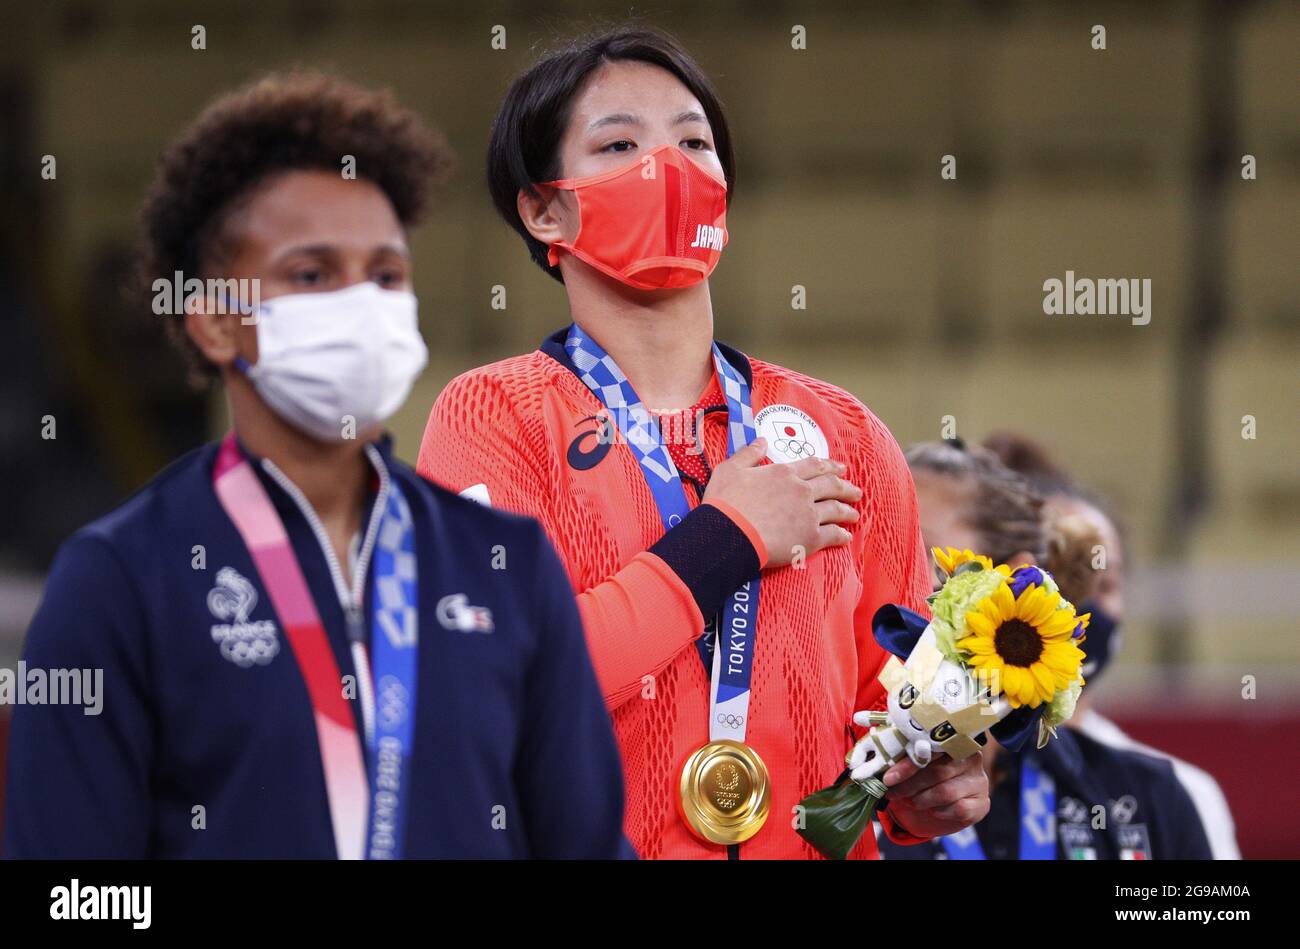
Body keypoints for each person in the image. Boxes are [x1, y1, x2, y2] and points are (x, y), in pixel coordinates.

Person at [3, 73, 629, 859]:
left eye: (385, 275)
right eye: (311, 273)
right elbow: (72, 895)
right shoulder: (119, 579)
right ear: (214, 322)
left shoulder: (507, 565)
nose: (360, 305)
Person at [416, 28, 989, 859]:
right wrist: (725, 540)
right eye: (620, 143)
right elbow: (500, 681)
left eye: (694, 141)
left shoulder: (845, 430)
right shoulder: (492, 417)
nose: (671, 167)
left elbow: (894, 699)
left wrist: (929, 788)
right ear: (544, 208)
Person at [875, 439, 1213, 859]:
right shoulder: (829, 788)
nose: (874, 575)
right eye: (865, 551)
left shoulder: (1146, 797)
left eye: (912, 549)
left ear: (1013, 574)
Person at [983, 431, 1240, 859]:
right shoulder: (921, 781)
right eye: (1056, 580)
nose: (1077, 608)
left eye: (1104, 584)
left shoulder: (1170, 793)